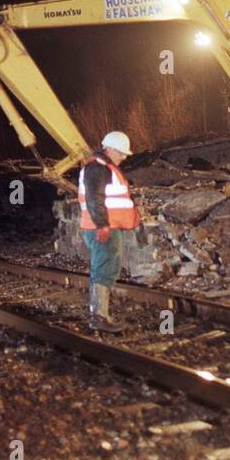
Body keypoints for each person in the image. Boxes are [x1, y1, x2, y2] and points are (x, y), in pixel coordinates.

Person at [78, 131, 140, 333]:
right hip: (103, 228)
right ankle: (99, 316)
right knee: (104, 268)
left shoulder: (104, 167)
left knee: (105, 267)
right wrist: (102, 225)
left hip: (107, 226)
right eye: (121, 153)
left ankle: (100, 314)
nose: (124, 157)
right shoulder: (97, 168)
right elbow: (94, 198)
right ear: (110, 149)